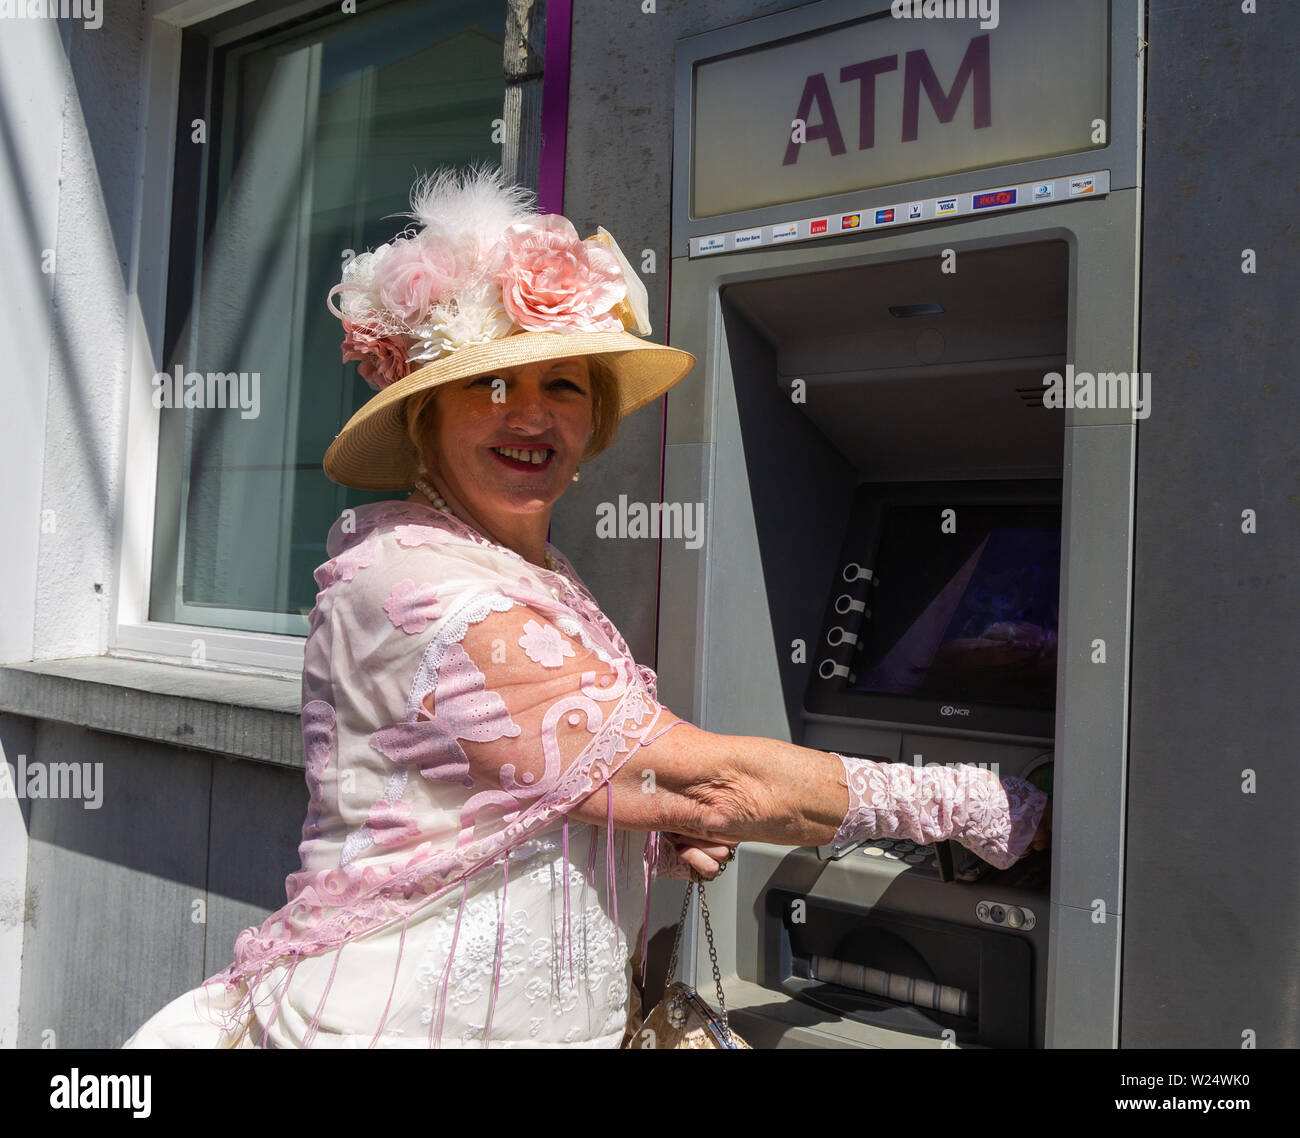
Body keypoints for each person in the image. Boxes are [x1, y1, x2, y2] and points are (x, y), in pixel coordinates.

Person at [123, 167, 1048, 1049]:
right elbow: (706, 778)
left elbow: (514, 794)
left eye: (562, 385)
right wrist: (989, 801)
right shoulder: (414, 583)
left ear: (595, 419)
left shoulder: (529, 568)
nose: (532, 415)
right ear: (427, 413)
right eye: (492, 384)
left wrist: (639, 828)